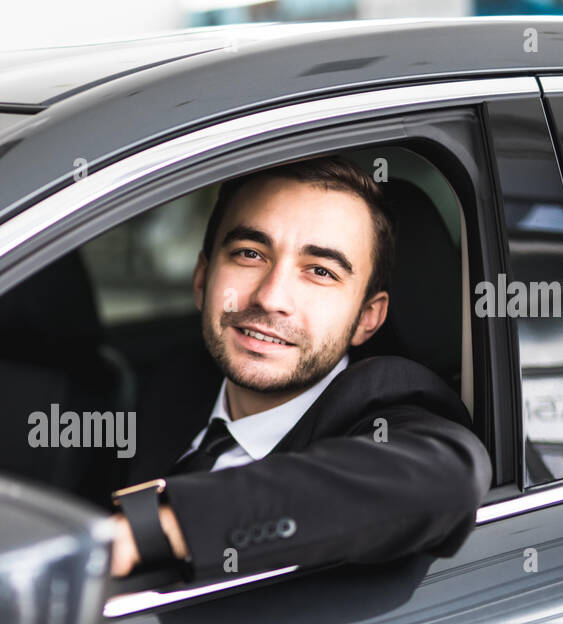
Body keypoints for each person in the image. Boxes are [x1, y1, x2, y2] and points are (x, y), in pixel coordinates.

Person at [108, 155, 491, 580]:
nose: (271, 297)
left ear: (367, 317)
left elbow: (444, 478)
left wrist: (151, 530)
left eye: (320, 272)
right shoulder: (176, 383)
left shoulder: (383, 403)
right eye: (250, 253)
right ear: (202, 279)